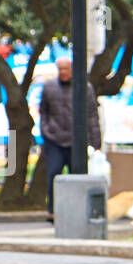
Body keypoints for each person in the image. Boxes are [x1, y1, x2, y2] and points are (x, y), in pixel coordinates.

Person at [37, 56, 100, 219]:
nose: (63, 72)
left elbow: (92, 115)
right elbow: (43, 112)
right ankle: (52, 210)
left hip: (76, 141)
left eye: (66, 68)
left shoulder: (85, 88)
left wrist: (96, 141)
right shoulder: (49, 87)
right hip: (54, 139)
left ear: (72, 69)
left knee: (78, 175)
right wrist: (45, 131)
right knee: (54, 173)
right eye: (60, 69)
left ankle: (78, 210)